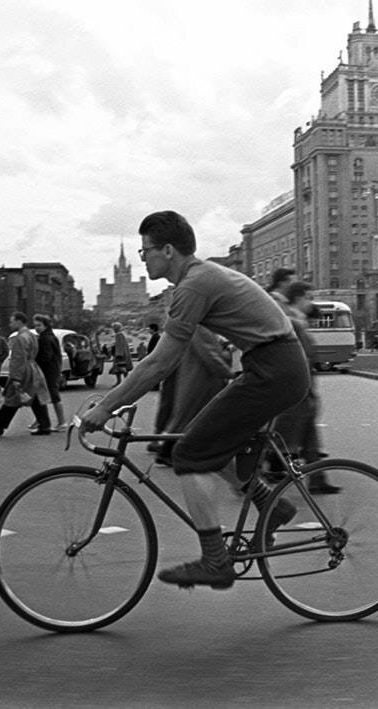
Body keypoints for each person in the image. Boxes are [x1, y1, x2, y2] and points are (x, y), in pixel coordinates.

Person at [79, 210, 310, 590]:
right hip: (271, 366)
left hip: (274, 370)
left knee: (189, 453)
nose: (143, 258)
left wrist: (107, 406)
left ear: (168, 250)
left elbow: (159, 362)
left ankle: (216, 562)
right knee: (210, 446)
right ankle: (271, 503)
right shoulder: (196, 279)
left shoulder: (193, 286)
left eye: (146, 251)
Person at [273, 280, 340, 494]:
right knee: (283, 438)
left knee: (309, 438)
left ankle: (317, 479)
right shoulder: (293, 322)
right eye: (309, 298)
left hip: (302, 389)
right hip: (298, 389)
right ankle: (257, 474)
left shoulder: (297, 320)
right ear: (300, 298)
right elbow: (298, 358)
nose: (311, 303)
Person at [150, 326, 234, 467]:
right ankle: (167, 452)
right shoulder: (201, 328)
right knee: (188, 417)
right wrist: (228, 371)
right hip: (200, 381)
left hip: (200, 380)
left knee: (188, 418)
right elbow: (210, 355)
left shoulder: (201, 327)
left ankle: (169, 451)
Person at [0, 312, 53, 436]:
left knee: (12, 397)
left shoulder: (20, 338)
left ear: (19, 321)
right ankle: (44, 425)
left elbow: (17, 359)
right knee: (35, 397)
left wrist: (16, 378)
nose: (10, 324)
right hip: (32, 367)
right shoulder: (31, 335)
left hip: (23, 370)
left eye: (12, 321)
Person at [33, 314, 65, 429]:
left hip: (48, 371)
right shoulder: (49, 336)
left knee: (52, 395)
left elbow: (46, 356)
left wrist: (34, 360)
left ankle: (62, 422)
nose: (37, 328)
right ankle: (40, 419)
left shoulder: (45, 338)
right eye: (35, 325)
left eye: (39, 325)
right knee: (43, 395)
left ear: (45, 325)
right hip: (52, 370)